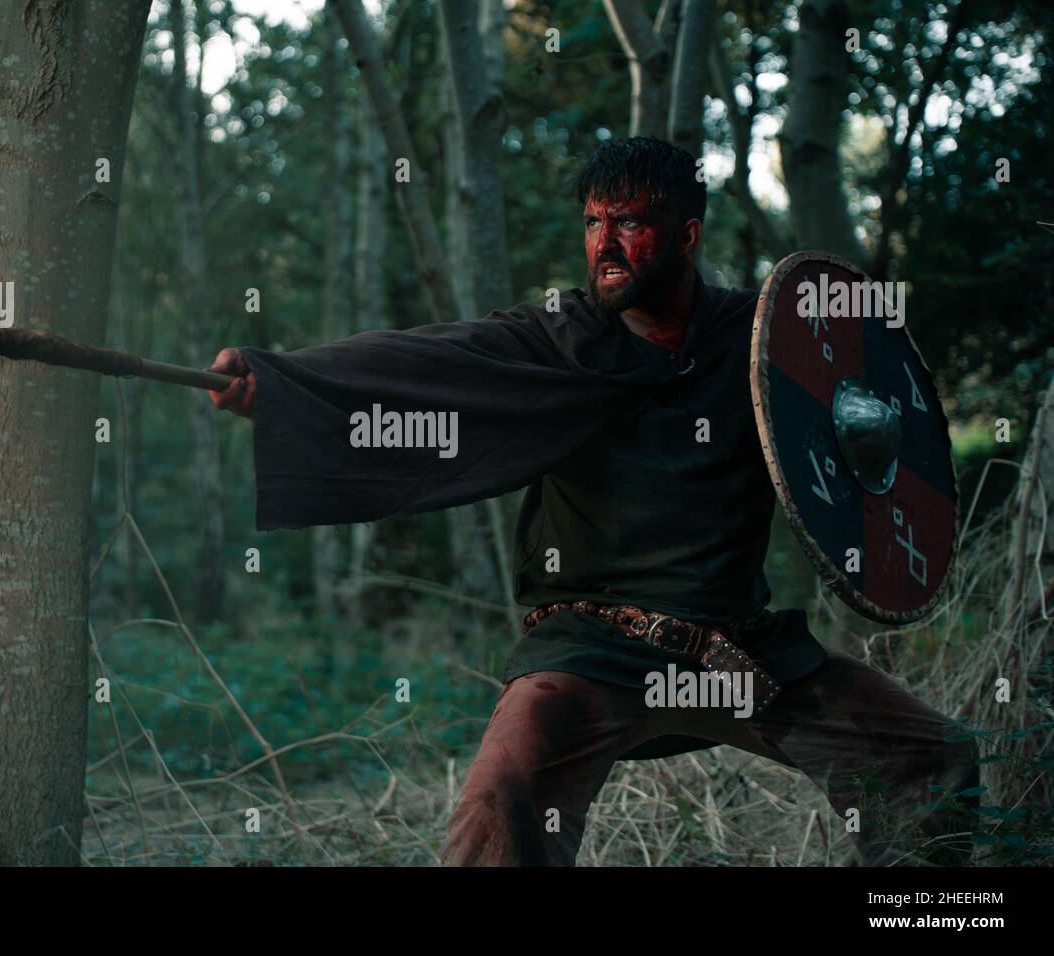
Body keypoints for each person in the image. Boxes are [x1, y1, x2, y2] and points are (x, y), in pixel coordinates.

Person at [206, 136, 979, 867]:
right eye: (592, 223)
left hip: (735, 645)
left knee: (927, 757)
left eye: (631, 223)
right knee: (500, 800)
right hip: (590, 645)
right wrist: (281, 386)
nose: (604, 244)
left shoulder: (764, 341)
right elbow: (428, 360)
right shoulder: (559, 339)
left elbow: (868, 417)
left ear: (686, 235)